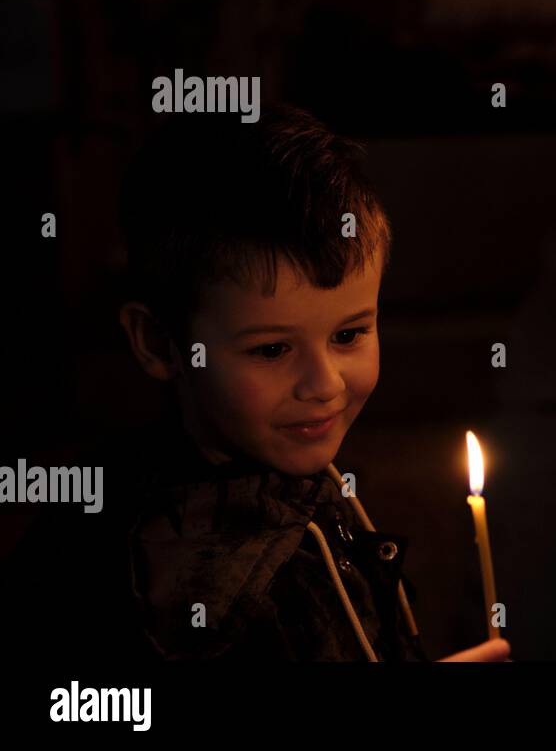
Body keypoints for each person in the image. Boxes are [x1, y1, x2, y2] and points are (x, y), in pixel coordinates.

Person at [3, 105, 508, 662]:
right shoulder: (177, 586)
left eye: (349, 334)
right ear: (155, 342)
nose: (324, 384)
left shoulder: (286, 485)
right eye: (271, 349)